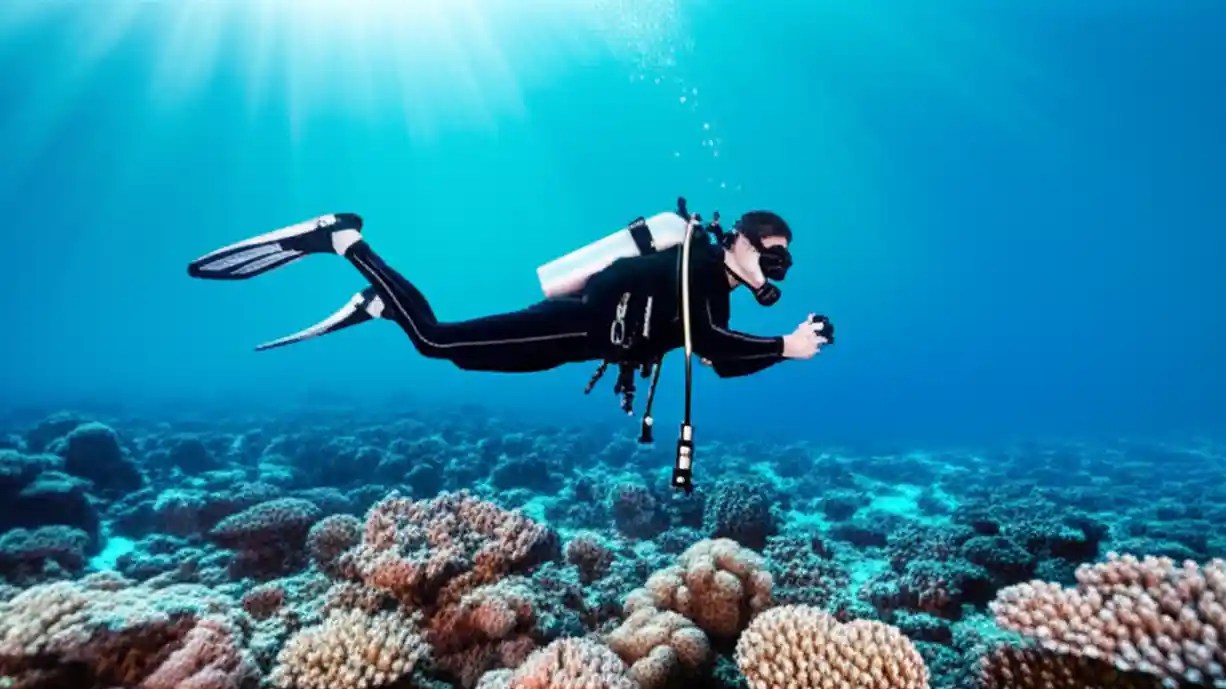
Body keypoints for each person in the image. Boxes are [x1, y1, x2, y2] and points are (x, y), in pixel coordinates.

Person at [186, 208, 832, 379]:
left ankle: (379, 305)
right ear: (740, 242)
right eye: (771, 252)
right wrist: (787, 346)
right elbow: (716, 343)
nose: (777, 266)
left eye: (785, 260)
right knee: (437, 340)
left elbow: (718, 361)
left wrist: (778, 348)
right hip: (573, 327)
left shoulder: (713, 291)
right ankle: (343, 240)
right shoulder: (696, 263)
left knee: (458, 354)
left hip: (572, 343)